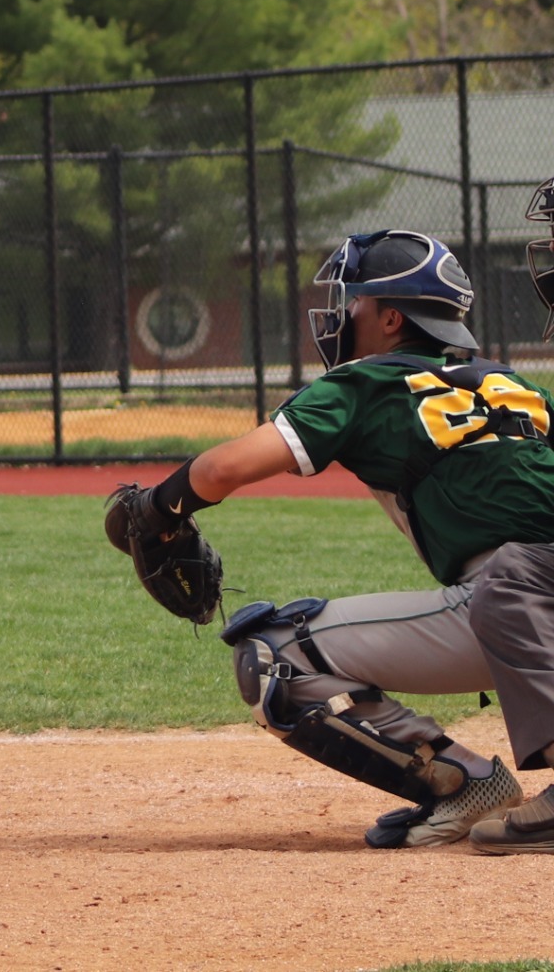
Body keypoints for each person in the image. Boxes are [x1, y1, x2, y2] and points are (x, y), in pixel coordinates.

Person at [108, 220, 554, 851]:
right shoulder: (519, 388)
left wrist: (156, 509)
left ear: (392, 319)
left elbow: (222, 469)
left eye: (357, 301)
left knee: (276, 656)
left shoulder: (366, 382)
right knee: (507, 589)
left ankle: (460, 781)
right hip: (524, 605)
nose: (344, 313)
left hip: (513, 594)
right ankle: (469, 785)